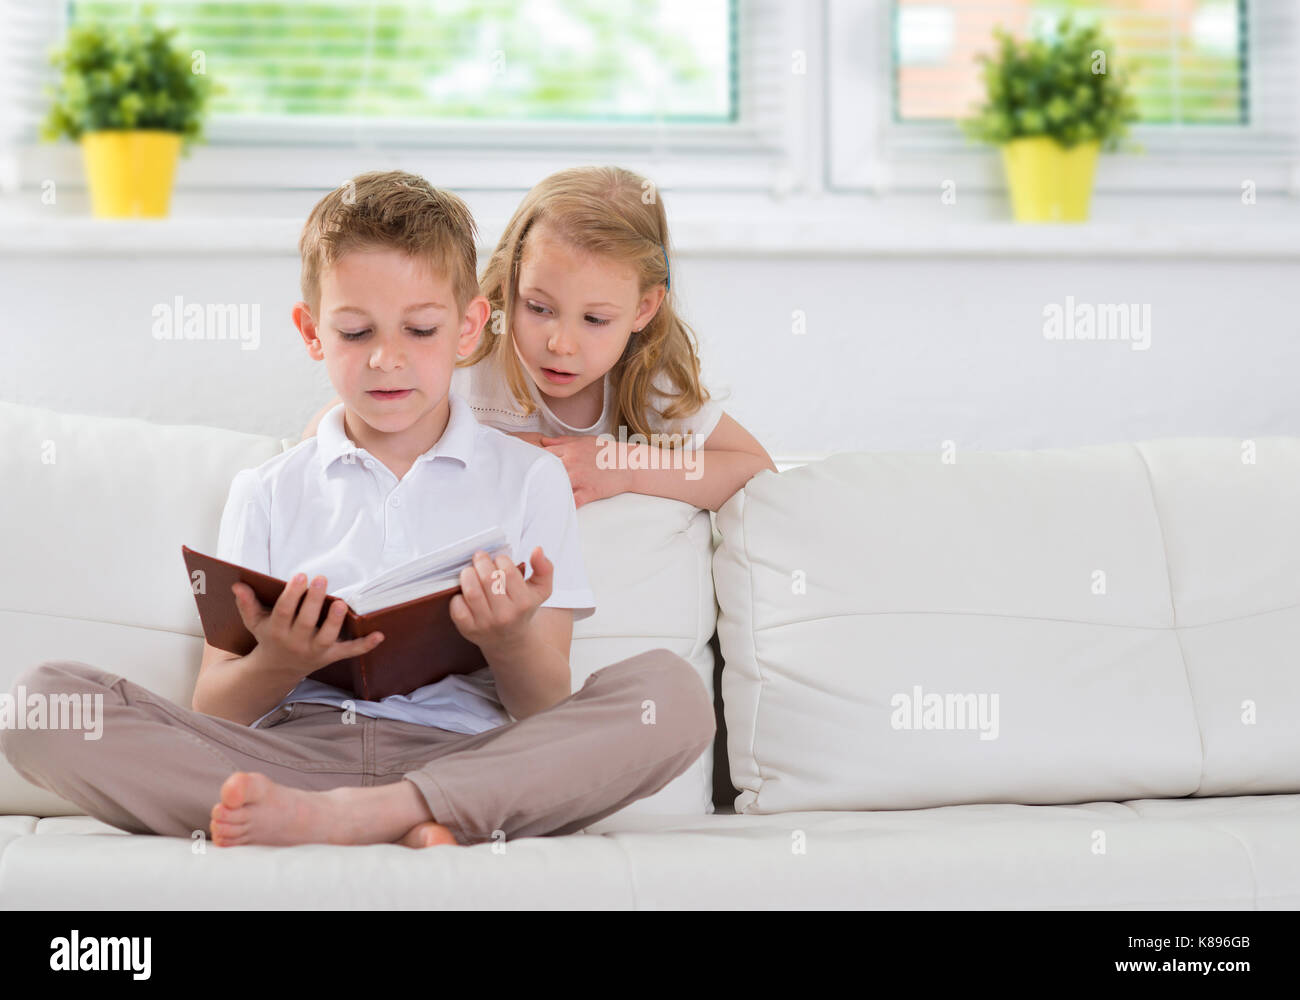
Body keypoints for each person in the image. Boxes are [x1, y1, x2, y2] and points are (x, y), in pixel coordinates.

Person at [0, 170, 716, 849]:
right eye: (355, 332)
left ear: (469, 329)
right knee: (39, 704)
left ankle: (381, 812)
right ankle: (401, 818)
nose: (387, 360)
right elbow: (215, 707)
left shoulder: (532, 479)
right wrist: (280, 660)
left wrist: (505, 639)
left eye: (420, 330)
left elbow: (545, 711)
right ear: (312, 331)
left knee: (674, 696)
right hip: (291, 759)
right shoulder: (268, 489)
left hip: (470, 756)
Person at [301, 165, 776, 511]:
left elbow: (757, 472)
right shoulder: (466, 365)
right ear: (509, 284)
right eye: (538, 308)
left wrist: (624, 466)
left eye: (594, 320)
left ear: (643, 309)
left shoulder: (648, 382)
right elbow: (324, 433)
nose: (561, 344)